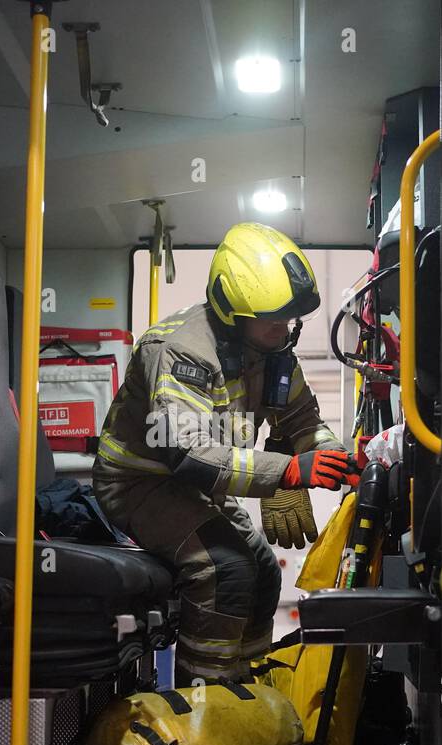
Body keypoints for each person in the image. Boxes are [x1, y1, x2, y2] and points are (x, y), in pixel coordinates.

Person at [92, 222, 357, 683]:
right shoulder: (182, 351)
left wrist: (332, 457)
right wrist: (290, 471)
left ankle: (246, 681)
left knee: (263, 571)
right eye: (272, 319)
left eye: (291, 318)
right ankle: (207, 700)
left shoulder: (271, 350)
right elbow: (188, 455)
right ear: (231, 311)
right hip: (140, 483)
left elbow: (302, 422)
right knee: (225, 569)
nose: (285, 329)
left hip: (200, 488)